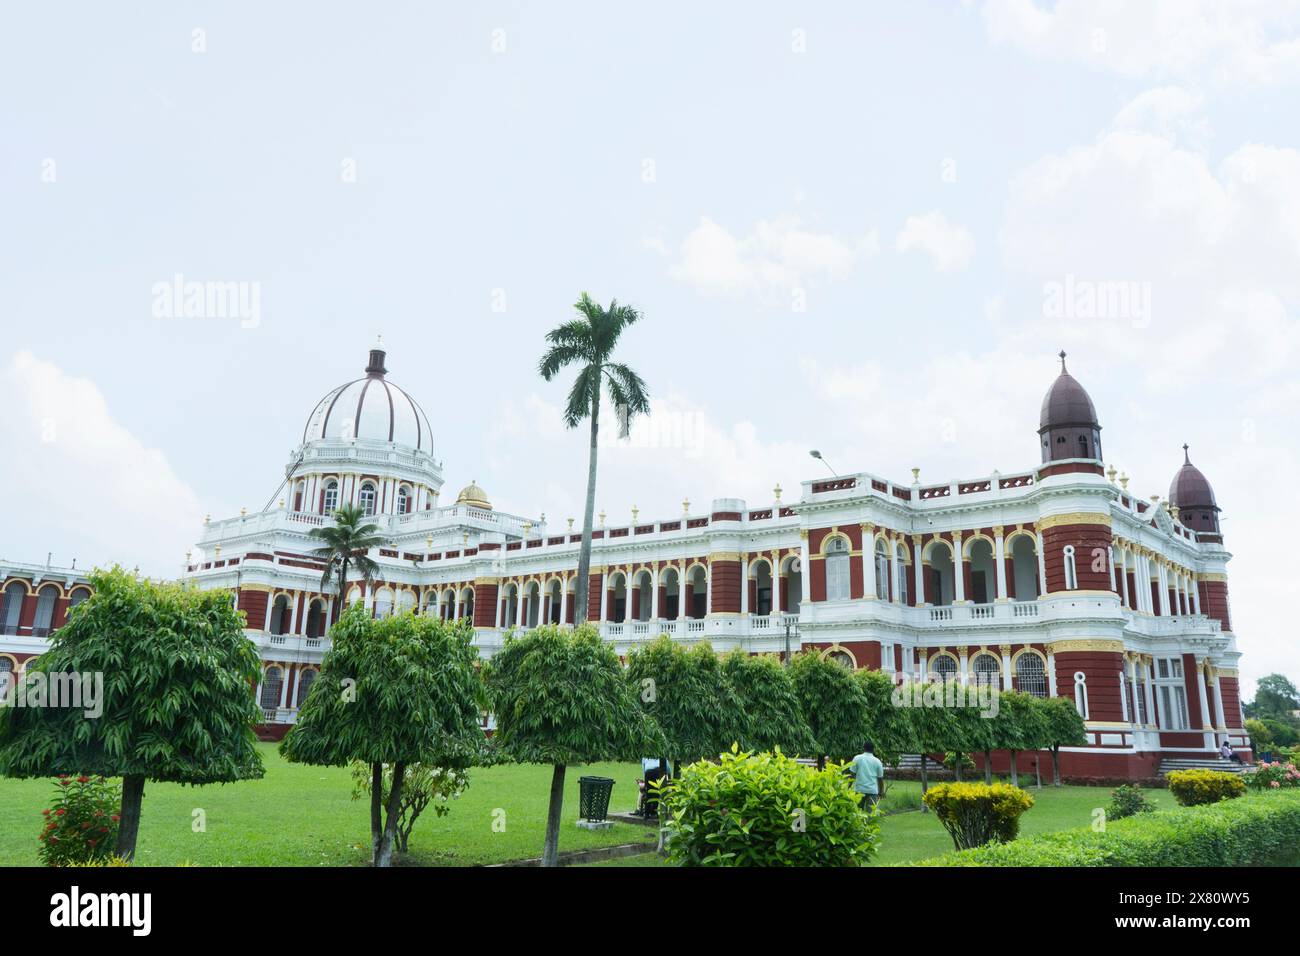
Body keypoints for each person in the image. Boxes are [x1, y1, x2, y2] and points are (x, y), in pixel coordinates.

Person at [846, 742, 886, 810]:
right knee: (870, 815)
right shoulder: (877, 761)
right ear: (873, 749)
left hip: (859, 790)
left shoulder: (857, 758)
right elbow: (880, 779)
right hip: (872, 791)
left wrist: (848, 787)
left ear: (863, 748)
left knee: (858, 813)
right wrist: (881, 792)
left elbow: (852, 775)